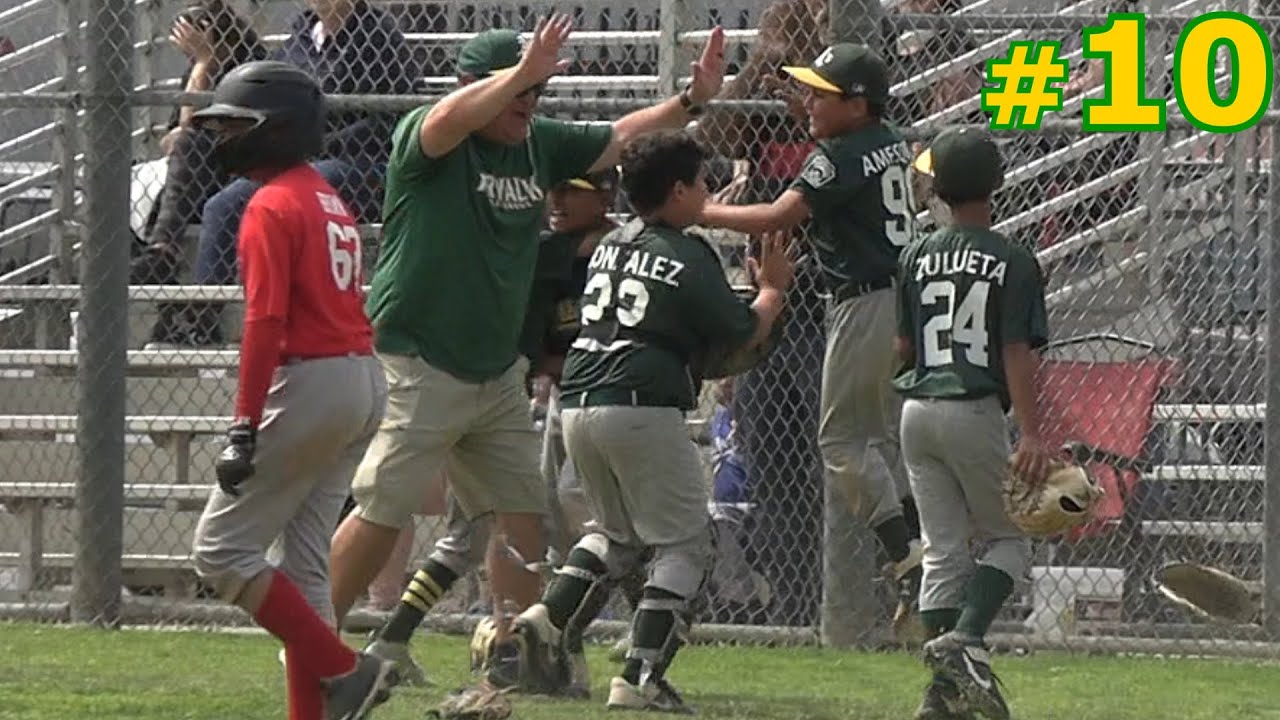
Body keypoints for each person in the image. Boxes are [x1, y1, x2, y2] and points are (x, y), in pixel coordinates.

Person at [327, 14, 731, 681]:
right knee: (384, 507)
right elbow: (449, 120)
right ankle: (316, 645)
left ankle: (515, 659)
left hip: (495, 371)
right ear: (472, 86)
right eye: (517, 91)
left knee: (519, 515)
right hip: (425, 357)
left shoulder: (536, 142)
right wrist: (521, 73)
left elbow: (618, 138)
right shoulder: (429, 137)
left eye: (538, 93)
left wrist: (689, 101)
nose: (530, 105)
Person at [502, 129, 795, 712]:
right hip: (639, 404)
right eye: (702, 183)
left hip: (581, 399)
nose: (708, 192)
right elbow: (739, 333)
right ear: (679, 190)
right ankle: (639, 678)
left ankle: (549, 614)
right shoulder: (686, 252)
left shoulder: (613, 244)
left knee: (616, 537)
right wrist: (772, 291)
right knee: (686, 545)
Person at [696, 42, 925, 638]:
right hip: (898, 295)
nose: (808, 100)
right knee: (881, 441)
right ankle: (917, 549)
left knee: (842, 443)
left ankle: (909, 559)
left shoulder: (841, 151)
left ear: (858, 103)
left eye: (823, 93)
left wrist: (702, 213)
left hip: (866, 299)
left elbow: (777, 217)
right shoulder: (890, 140)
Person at [186, 61, 393, 720]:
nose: (221, 137)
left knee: (219, 551)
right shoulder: (323, 195)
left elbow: (266, 321)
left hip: (312, 377)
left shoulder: (271, 202)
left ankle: (344, 671)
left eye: (233, 124)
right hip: (359, 376)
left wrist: (243, 424)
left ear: (274, 129)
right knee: (306, 569)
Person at [893, 127, 1052, 720]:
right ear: (997, 185)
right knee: (1010, 537)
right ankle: (966, 642)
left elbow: (904, 346)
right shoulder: (1011, 258)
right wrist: (1033, 433)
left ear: (936, 187)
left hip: (915, 409)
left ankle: (939, 694)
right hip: (972, 406)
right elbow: (1016, 350)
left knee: (941, 553)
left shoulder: (914, 253)